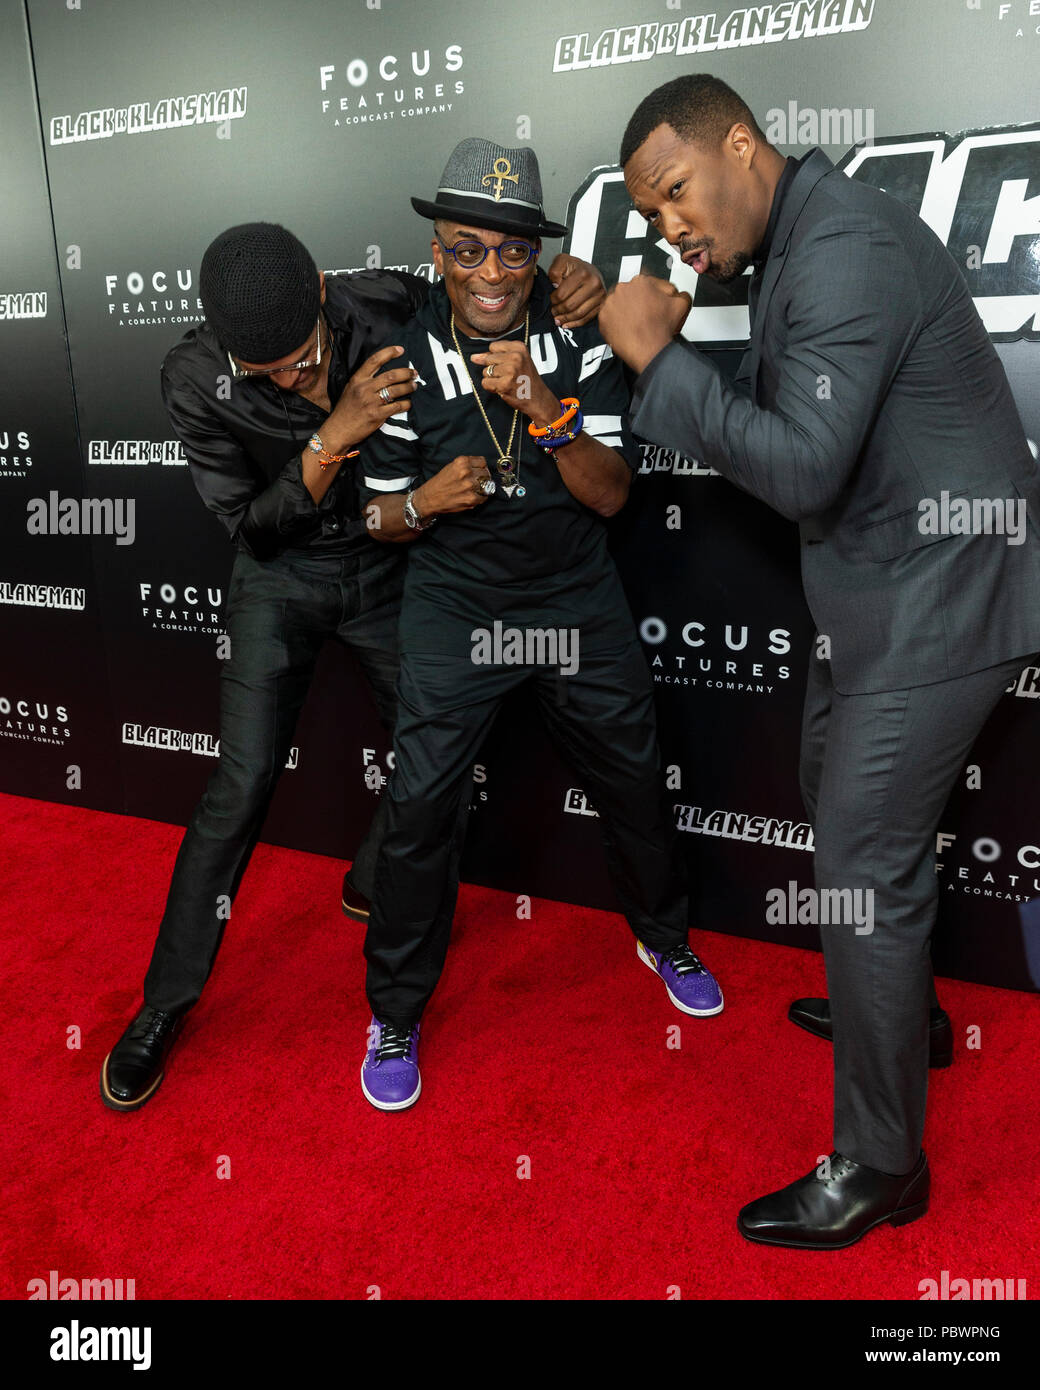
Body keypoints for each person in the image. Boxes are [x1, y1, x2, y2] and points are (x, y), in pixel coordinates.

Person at [599, 73, 1040, 1248]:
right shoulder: (794, 246)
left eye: (678, 193)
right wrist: (689, 338)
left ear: (740, 144)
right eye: (653, 216)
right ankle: (908, 1021)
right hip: (879, 587)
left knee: (861, 849)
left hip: (947, 596)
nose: (672, 226)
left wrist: (657, 358)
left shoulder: (843, 247)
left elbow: (800, 469)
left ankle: (881, 1164)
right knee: (833, 798)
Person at [100, 221, 603, 1112]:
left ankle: (376, 883)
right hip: (280, 583)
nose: (291, 379)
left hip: (388, 569)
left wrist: (562, 280)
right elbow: (252, 528)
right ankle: (162, 1005)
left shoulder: (388, 304)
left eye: (302, 360)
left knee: (436, 765)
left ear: (326, 296)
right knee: (241, 785)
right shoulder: (194, 376)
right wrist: (331, 437)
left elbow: (485, 294)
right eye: (270, 377)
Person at [354, 137, 724, 1113]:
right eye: (466, 248)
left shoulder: (585, 332)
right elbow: (377, 517)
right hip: (456, 607)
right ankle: (395, 1008)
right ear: (435, 250)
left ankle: (663, 933)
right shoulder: (398, 360)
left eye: (511, 251)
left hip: (571, 597)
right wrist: (426, 501)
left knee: (635, 779)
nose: (489, 272)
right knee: (422, 807)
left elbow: (610, 498)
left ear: (538, 256)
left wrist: (545, 409)